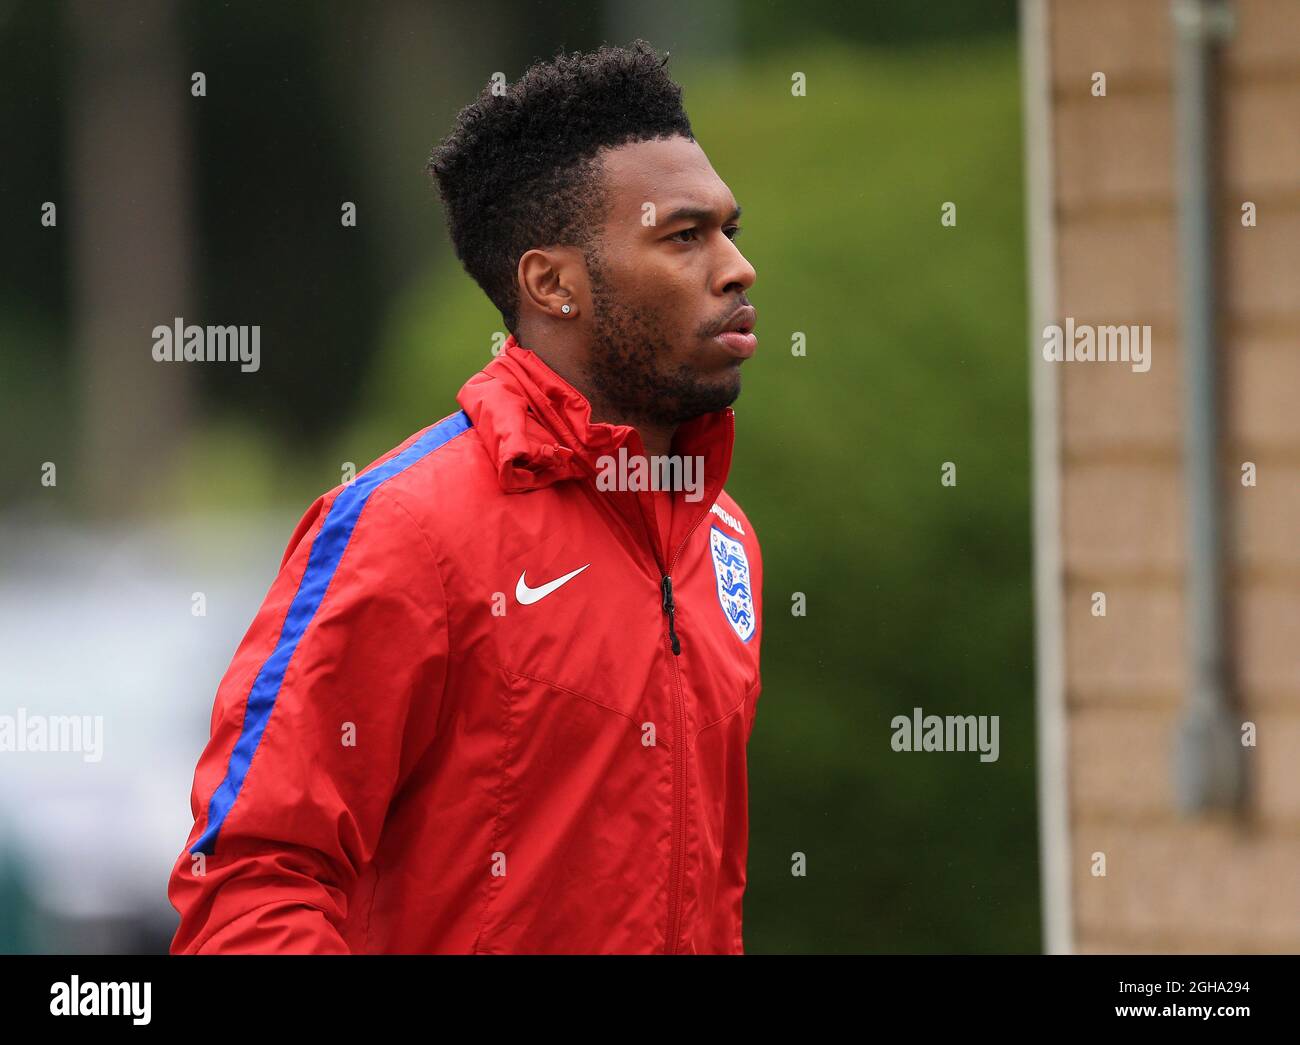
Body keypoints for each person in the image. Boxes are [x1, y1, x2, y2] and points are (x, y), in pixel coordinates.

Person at [168, 39, 763, 954]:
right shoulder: (406, 527)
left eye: (729, 229)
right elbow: (253, 879)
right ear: (551, 284)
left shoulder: (726, 539)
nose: (735, 267)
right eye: (685, 236)